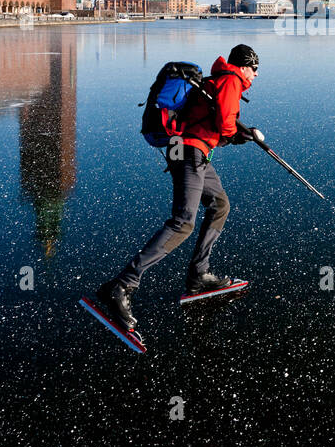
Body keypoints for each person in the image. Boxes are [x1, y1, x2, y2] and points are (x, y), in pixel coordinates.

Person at [98, 44, 261, 330]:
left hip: (190, 149)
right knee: (183, 222)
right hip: (189, 150)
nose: (256, 75)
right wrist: (237, 136)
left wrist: (240, 131)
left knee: (220, 205)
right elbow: (225, 125)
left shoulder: (218, 80)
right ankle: (122, 285)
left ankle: (199, 275)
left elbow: (216, 119)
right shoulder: (232, 80)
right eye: (255, 68)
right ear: (244, 65)